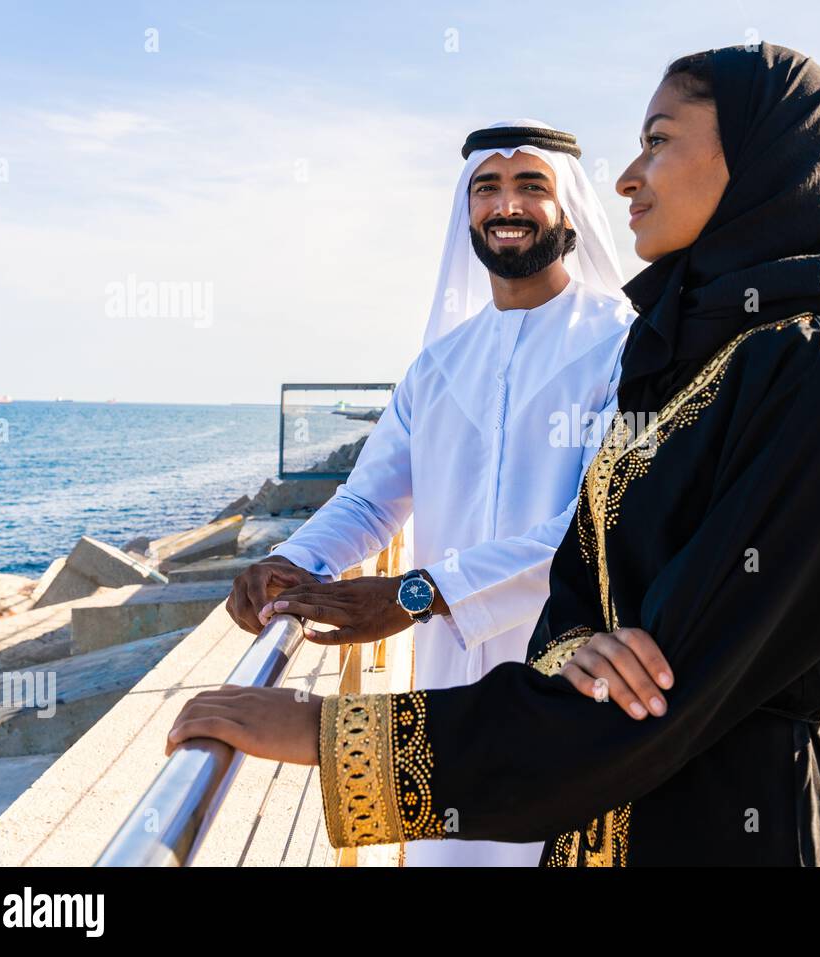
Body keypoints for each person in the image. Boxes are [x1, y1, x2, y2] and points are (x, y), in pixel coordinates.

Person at [171, 43, 820, 866]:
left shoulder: (757, 370)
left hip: (676, 797)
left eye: (657, 141)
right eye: (486, 187)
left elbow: (670, 672)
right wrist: (296, 560)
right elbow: (581, 575)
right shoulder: (507, 364)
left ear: (760, 158)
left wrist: (348, 715)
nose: (629, 176)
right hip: (530, 738)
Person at [222, 120, 636, 867]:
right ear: (467, 210)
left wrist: (417, 594)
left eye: (530, 186)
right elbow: (371, 501)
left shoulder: (624, 346)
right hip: (449, 688)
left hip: (577, 684)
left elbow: (595, 529)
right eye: (487, 188)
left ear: (570, 209)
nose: (506, 204)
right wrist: (291, 559)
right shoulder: (439, 366)